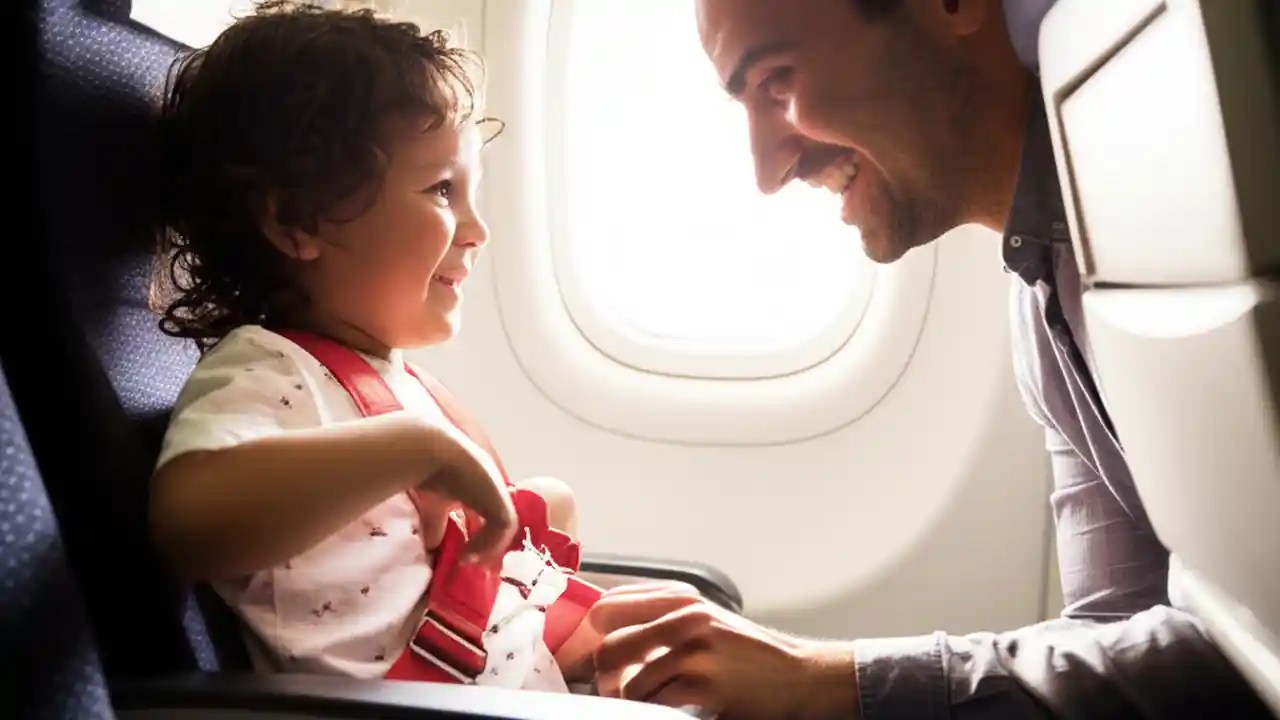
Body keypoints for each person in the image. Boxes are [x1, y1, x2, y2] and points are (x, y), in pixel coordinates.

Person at [586, 1, 1275, 718]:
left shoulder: (1190, 205)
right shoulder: (1040, 296)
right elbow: (1114, 625)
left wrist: (823, 682)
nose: (767, 169)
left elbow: (1250, 647)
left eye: (778, 82)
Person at [146, 1, 601, 693]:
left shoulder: (400, 386)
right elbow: (187, 523)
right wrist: (414, 446)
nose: (477, 230)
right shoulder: (266, 370)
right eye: (442, 189)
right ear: (298, 221)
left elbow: (471, 610)